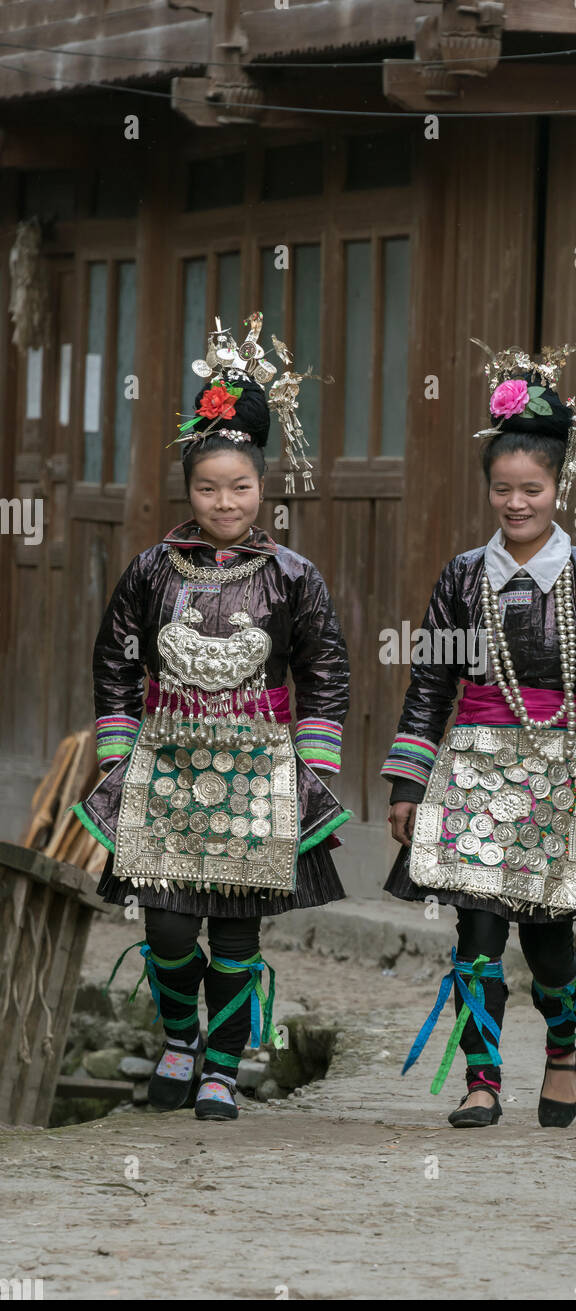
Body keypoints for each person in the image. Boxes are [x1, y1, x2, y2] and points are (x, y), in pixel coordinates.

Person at [71, 311, 350, 1121]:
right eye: (207, 487)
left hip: (259, 766)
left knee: (234, 933)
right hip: (166, 763)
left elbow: (324, 668)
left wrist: (314, 765)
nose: (224, 501)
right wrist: (119, 758)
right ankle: (178, 1036)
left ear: (262, 487)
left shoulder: (293, 576)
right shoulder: (151, 570)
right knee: (165, 923)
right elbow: (117, 661)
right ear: (187, 491)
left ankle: (222, 1065)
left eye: (240, 487)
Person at [382, 340, 576, 1130]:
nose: (516, 503)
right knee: (477, 934)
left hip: (562, 774)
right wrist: (407, 782)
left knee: (551, 943)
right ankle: (482, 1077)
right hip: (473, 772)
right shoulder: (464, 579)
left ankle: (563, 1045)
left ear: (558, 486)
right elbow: (431, 683)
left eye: (532, 489)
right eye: (503, 489)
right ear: (488, 489)